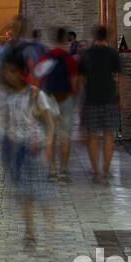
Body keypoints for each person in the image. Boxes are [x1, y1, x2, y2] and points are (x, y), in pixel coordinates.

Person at [0, 56, 57, 245]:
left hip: (35, 151)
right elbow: (12, 123)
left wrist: (47, 147)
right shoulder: (12, 97)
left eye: (11, 72)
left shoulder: (36, 95)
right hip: (19, 150)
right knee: (24, 194)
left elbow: (50, 124)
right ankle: (30, 233)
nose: (7, 76)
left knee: (43, 195)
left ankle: (49, 230)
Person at [78, 25, 123, 184]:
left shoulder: (86, 54)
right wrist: (121, 98)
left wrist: (80, 101)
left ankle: (96, 171)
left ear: (94, 36)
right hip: (109, 99)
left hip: (91, 99)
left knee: (92, 136)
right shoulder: (113, 54)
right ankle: (105, 171)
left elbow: (81, 80)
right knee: (109, 135)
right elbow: (118, 78)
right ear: (107, 37)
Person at [42, 28, 78, 181]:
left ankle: (52, 171)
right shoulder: (69, 58)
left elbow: (38, 80)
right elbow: (74, 81)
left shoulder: (45, 58)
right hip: (66, 99)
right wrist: (73, 98)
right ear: (65, 40)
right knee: (65, 136)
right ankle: (63, 170)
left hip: (49, 100)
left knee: (50, 136)